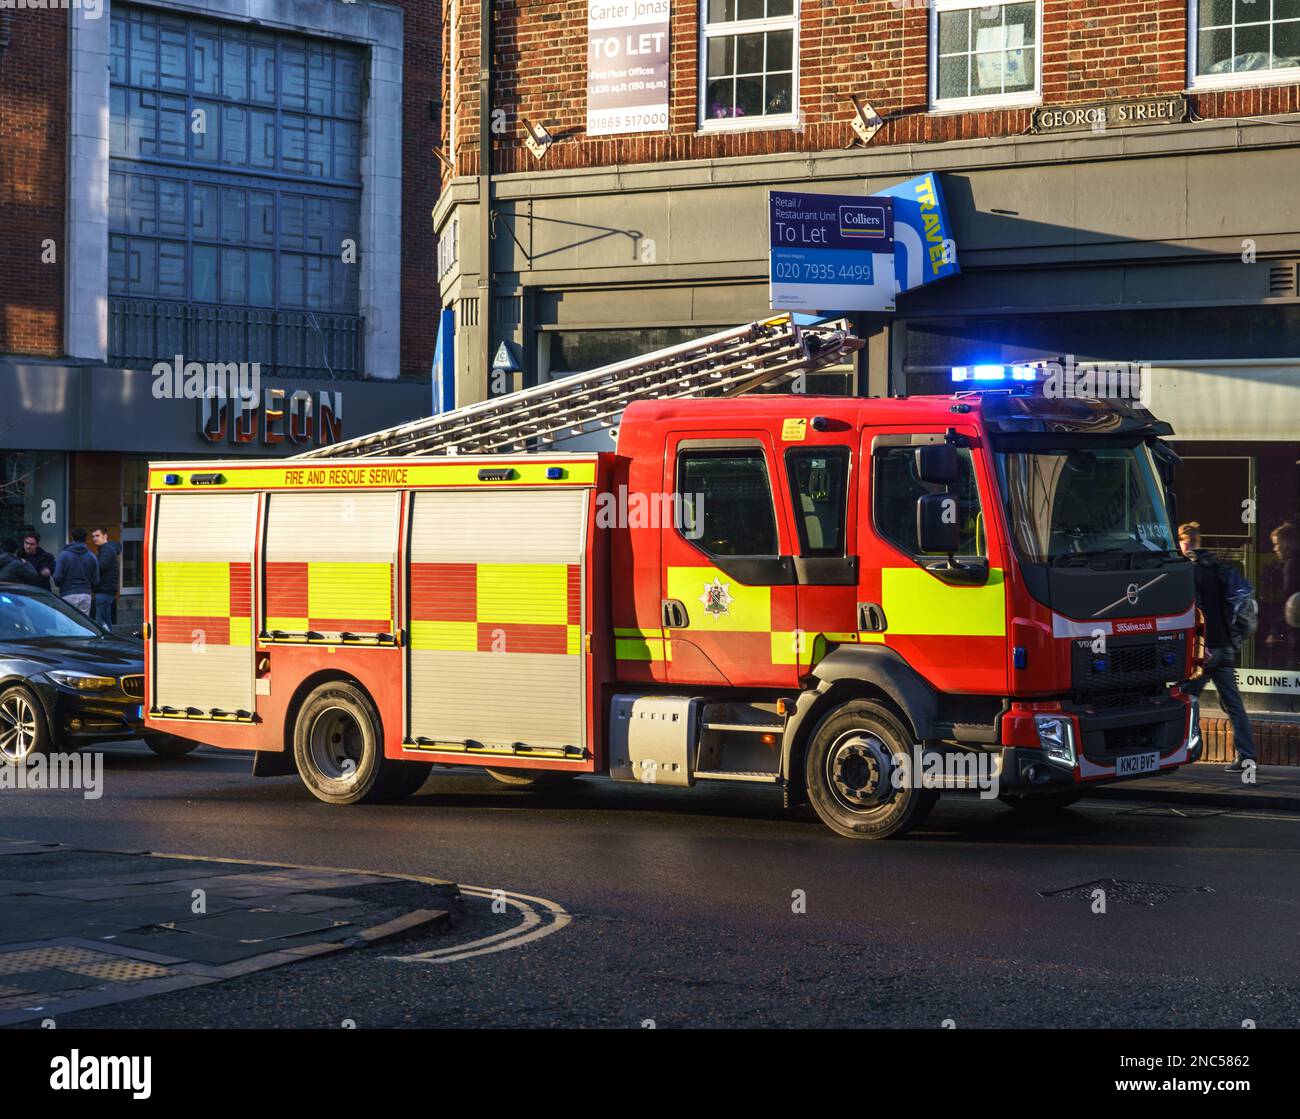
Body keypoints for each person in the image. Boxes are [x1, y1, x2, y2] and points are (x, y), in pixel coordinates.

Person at [1177, 521, 1258, 774]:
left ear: (1185, 542)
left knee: (1183, 700)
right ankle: (1247, 757)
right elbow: (1240, 601)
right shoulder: (1218, 567)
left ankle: (1178, 751)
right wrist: (1237, 638)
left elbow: (1195, 612)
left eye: (1180, 542)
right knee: (1233, 705)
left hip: (1205, 651)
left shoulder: (1189, 571)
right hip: (1224, 648)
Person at [52, 529, 99, 616]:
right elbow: (96, 580)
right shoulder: (91, 556)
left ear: (72, 538)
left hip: (67, 593)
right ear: (85, 539)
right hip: (85, 594)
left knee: (66, 624)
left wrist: (60, 585)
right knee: (82, 625)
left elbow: (57, 576)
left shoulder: (63, 555)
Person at [90, 527, 122, 626]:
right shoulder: (104, 550)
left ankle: (105, 640)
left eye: (97, 535)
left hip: (104, 590)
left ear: (105, 536)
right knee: (105, 621)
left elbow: (100, 567)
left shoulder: (107, 550)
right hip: (105, 590)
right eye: (93, 536)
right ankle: (108, 639)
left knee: (101, 621)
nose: (95, 538)